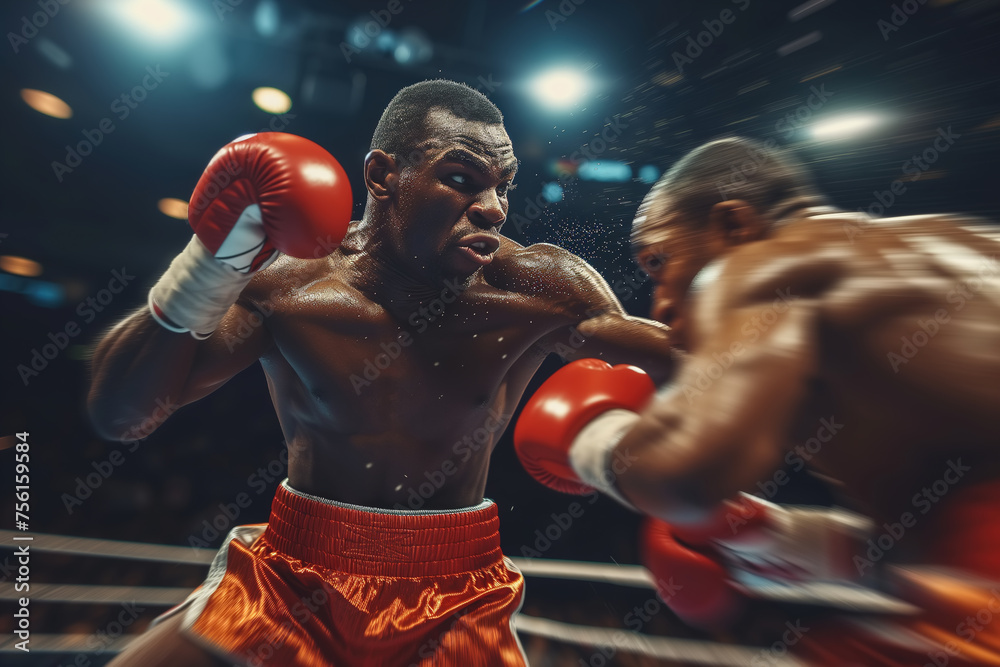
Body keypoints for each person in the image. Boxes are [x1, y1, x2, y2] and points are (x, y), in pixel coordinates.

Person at [86, 79, 675, 667]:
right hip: (291, 577)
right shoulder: (291, 284)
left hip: (456, 596)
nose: (494, 208)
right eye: (463, 179)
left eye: (502, 187)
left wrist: (754, 309)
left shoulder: (533, 287)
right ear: (382, 176)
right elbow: (122, 415)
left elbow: (685, 365)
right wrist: (211, 261)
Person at [513, 136, 1000, 664]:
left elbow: (685, 476)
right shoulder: (948, 253)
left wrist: (593, 439)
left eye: (658, 262)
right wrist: (788, 542)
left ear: (732, 226)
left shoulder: (765, 266)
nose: (663, 303)